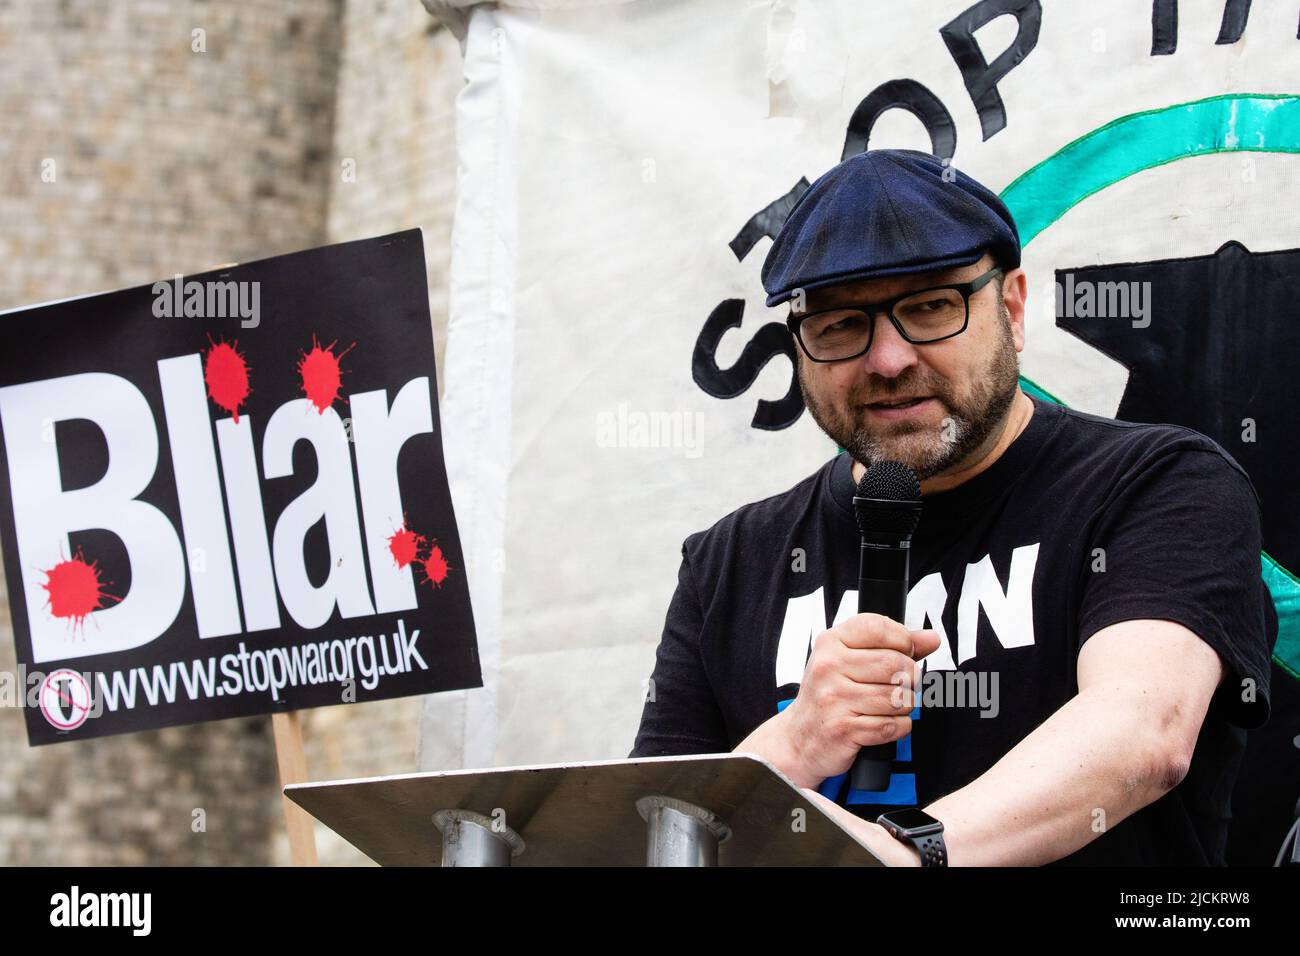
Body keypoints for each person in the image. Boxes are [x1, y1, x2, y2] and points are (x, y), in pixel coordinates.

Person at [628, 149, 1278, 866]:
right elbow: (664, 835)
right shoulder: (730, 559)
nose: (887, 359)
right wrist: (794, 744)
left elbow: (1141, 731)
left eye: (931, 307)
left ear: (1013, 307)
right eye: (841, 324)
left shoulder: (1158, 485)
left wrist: (906, 855)